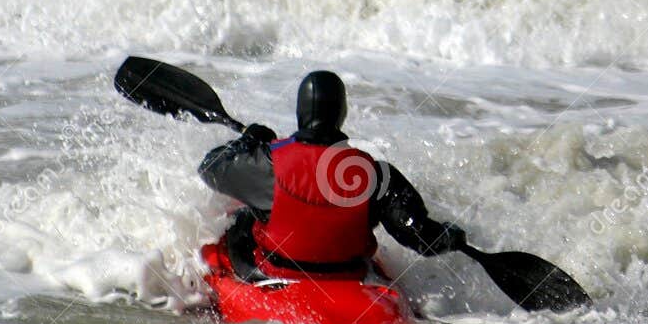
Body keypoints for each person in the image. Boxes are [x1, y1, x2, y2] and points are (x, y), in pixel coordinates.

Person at [198, 70, 466, 282]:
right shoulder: (376, 173)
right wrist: (449, 236)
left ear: (300, 114)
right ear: (342, 114)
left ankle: (246, 278)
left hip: (278, 272)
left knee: (242, 215)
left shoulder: (268, 162)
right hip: (348, 276)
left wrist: (247, 141)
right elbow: (420, 238)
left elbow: (210, 168)